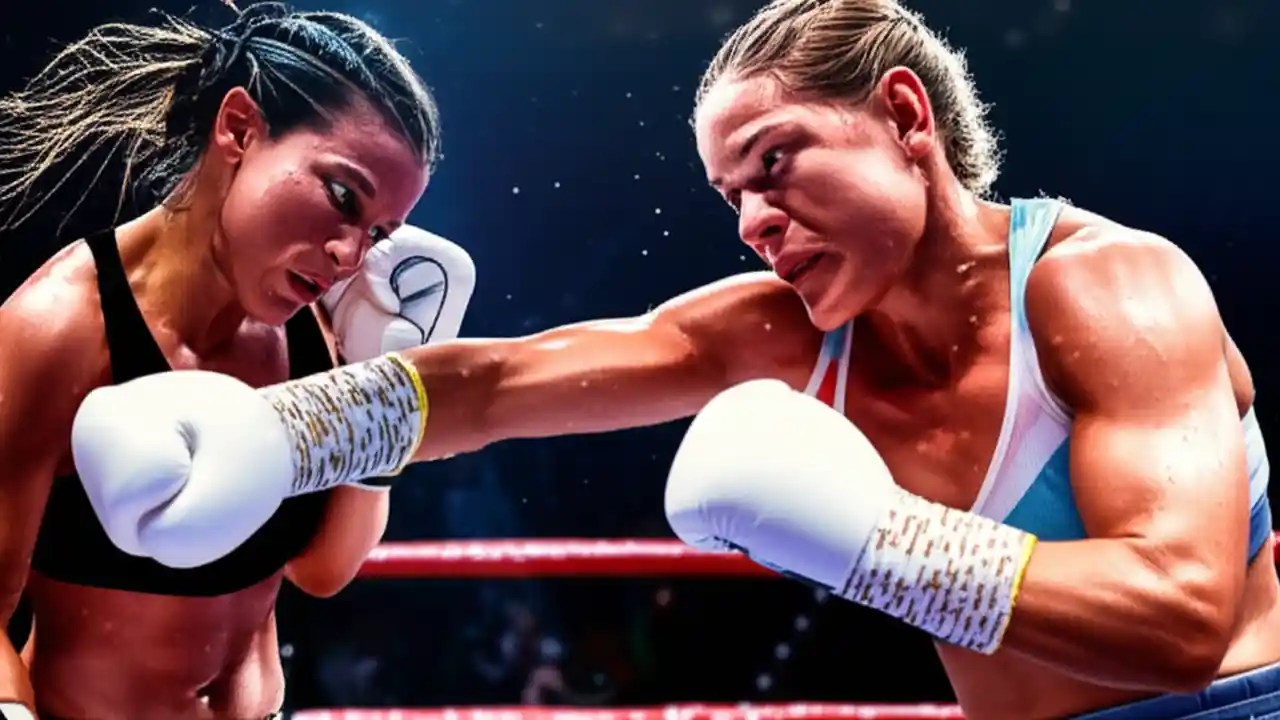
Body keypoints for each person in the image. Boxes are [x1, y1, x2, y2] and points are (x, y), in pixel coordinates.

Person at [69, 0, 1280, 717]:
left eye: (774, 162)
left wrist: (877, 542)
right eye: (728, 194)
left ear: (905, 119)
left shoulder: (1105, 286)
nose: (751, 218)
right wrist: (278, 434)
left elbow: (1176, 621)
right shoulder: (782, 330)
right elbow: (494, 385)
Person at [0, 3, 477, 718]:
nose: (352, 256)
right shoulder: (60, 329)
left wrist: (379, 402)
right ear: (238, 128)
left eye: (379, 232)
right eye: (342, 196)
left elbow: (323, 570)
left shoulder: (318, 324)